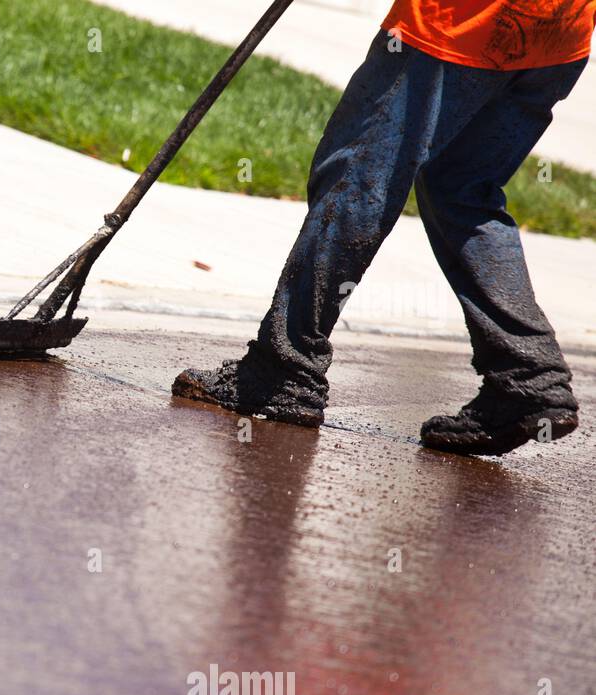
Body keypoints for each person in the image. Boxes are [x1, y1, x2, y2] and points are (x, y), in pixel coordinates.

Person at [172, 1, 596, 455]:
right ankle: (527, 377)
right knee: (463, 189)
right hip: (558, 31)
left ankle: (284, 368)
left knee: (358, 174)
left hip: (459, 22)